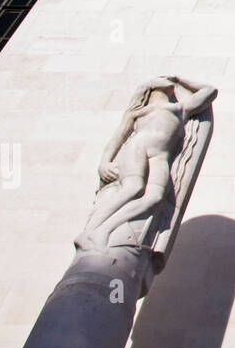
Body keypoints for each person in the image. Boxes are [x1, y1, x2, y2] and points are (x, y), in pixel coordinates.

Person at [75, 75, 217, 251]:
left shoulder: (180, 108)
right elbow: (117, 138)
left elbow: (209, 91)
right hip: (138, 148)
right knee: (133, 187)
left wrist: (179, 79)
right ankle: (89, 232)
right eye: (161, 79)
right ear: (150, 88)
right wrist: (104, 162)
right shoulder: (138, 112)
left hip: (160, 156)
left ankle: (103, 230)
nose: (166, 80)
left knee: (154, 198)